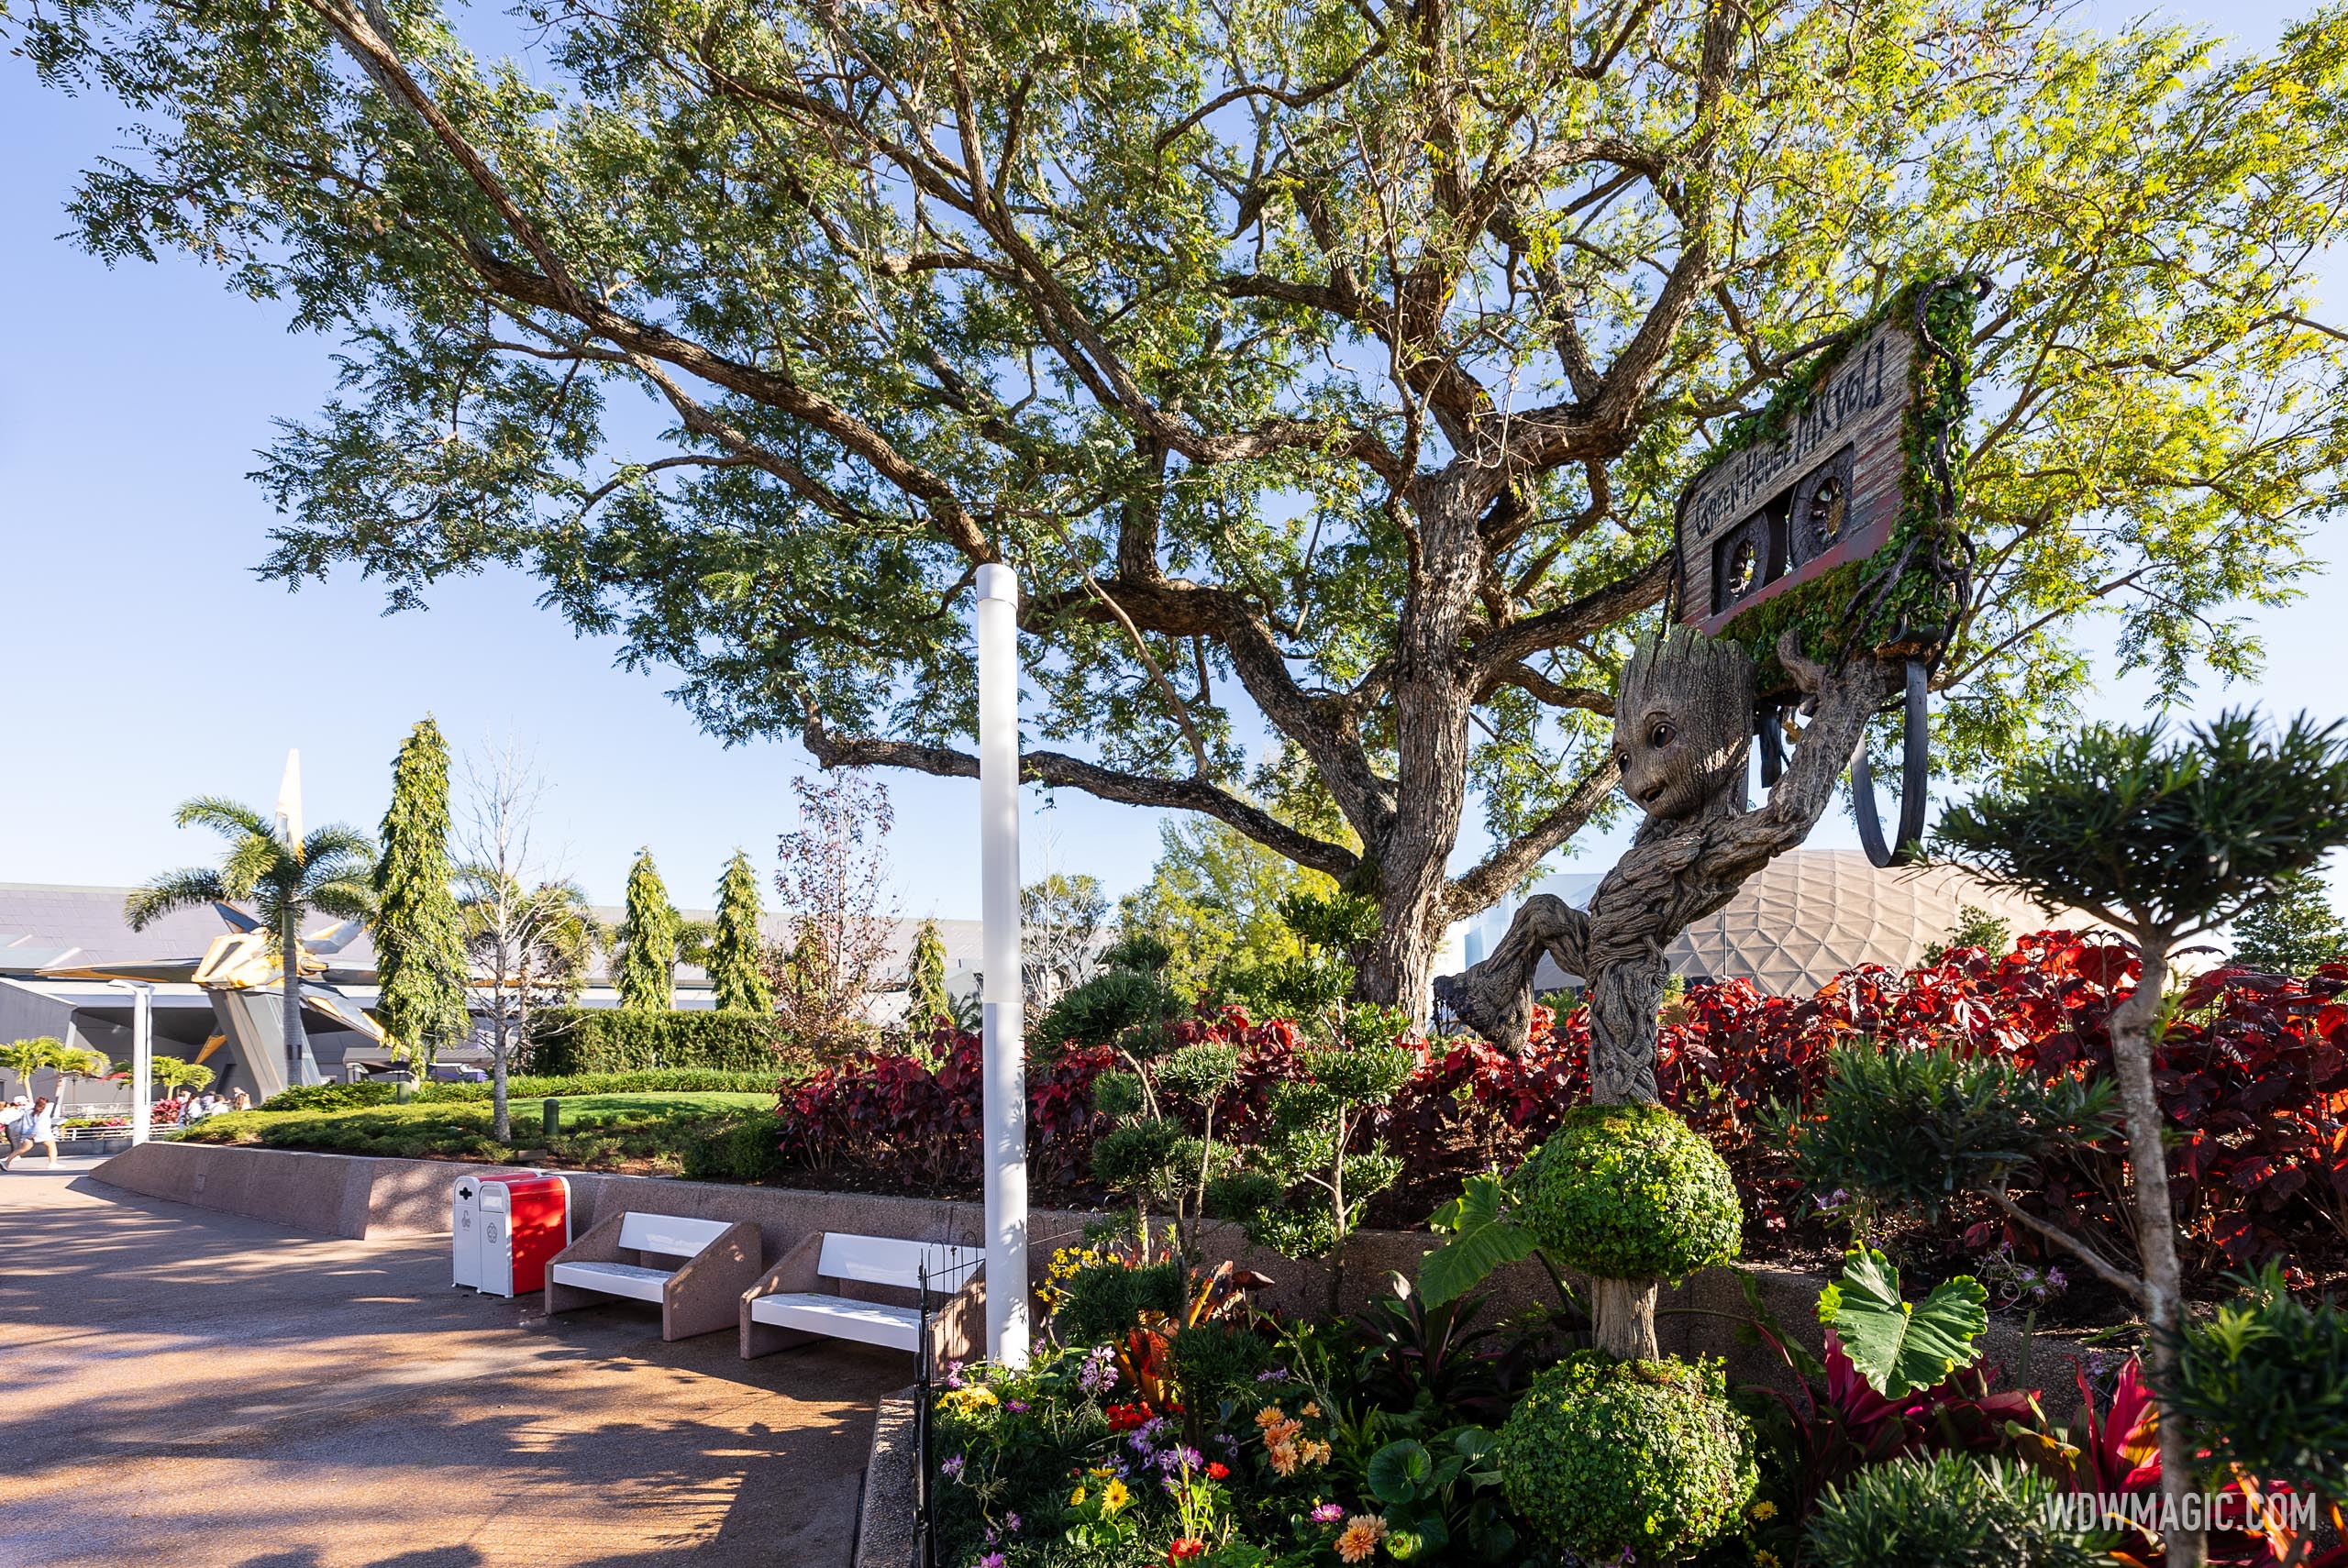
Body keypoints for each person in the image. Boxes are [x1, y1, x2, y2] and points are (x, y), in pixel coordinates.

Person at [8, 1096, 61, 1169]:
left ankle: (7, 1161)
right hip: (41, 1133)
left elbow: (24, 1123)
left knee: (24, 1148)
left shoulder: (28, 1111)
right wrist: (34, 1133)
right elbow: (39, 1124)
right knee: (51, 1145)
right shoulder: (43, 1112)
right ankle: (52, 1163)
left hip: (27, 1132)